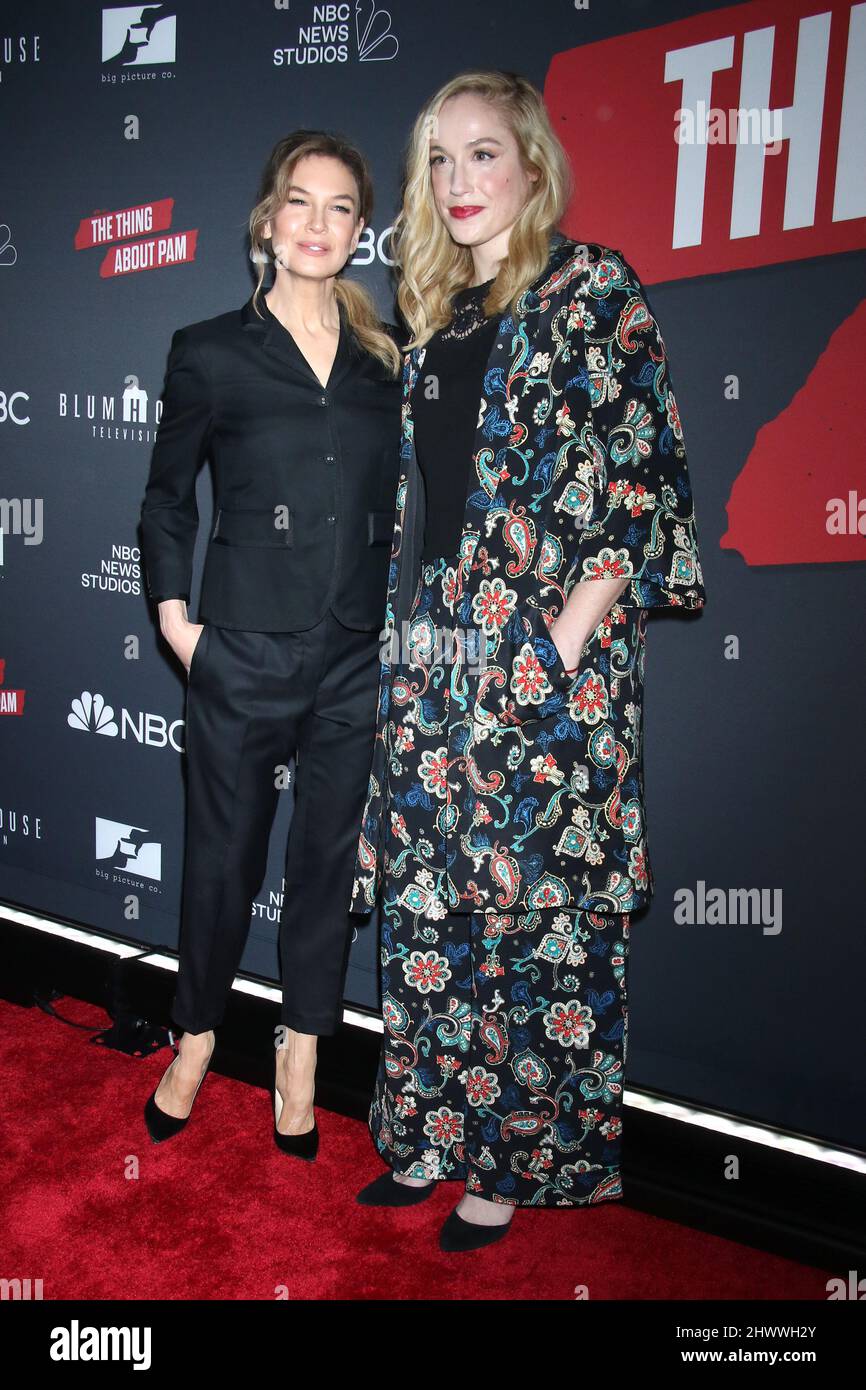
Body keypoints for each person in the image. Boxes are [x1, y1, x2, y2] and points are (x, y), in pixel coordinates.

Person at [351, 71, 707, 1250]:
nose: (457, 181)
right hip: (438, 648)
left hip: (546, 661)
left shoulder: (591, 288)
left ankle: (510, 1164)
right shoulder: (436, 316)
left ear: (530, 164)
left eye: (481, 154)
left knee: (531, 916)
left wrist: (553, 648)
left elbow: (640, 477)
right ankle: (431, 1136)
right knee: (429, 904)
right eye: (438, 161)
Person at [138, 131, 402, 1157]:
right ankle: (196, 1036)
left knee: (327, 866)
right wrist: (174, 619)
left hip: (353, 656)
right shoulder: (209, 350)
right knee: (220, 862)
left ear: (358, 228)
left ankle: (300, 1051)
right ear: (266, 220)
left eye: (340, 208)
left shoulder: (387, 360)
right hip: (239, 649)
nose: (318, 224)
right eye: (300, 202)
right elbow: (166, 500)